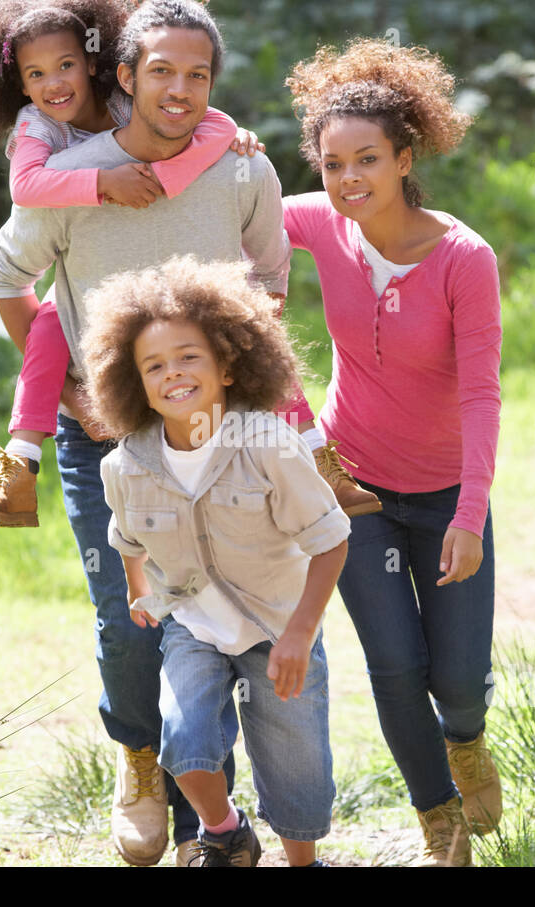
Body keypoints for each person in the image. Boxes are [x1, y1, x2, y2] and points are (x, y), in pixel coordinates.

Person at [0, 0, 372, 866]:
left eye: (199, 75)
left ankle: (219, 828)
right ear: (123, 77)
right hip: (109, 439)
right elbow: (6, 275)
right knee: (136, 620)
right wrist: (81, 387)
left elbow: (270, 275)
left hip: (233, 438)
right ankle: (143, 763)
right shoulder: (76, 175)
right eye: (161, 70)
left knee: (229, 611)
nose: (181, 90)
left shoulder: (240, 169)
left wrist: (246, 378)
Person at [282, 37, 505, 866]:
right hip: (356, 491)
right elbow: (226, 207)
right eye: (332, 164)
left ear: (405, 157)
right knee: (392, 663)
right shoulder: (317, 224)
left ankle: (468, 739)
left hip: (449, 493)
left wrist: (472, 515)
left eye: (367, 160)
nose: (348, 181)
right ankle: (437, 816)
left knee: (456, 677)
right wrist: (221, 145)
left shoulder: (463, 258)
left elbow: (482, 393)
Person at [0, 0, 259, 528]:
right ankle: (20, 465)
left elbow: (209, 121)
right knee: (49, 324)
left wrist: (204, 157)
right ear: (19, 84)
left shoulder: (124, 101)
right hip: (71, 278)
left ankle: (314, 452)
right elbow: (26, 186)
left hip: (167, 338)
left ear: (93, 62)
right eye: (34, 73)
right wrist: (105, 183)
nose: (53, 83)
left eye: (65, 64)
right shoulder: (35, 127)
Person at [84, 255, 349, 866]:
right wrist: (133, 586)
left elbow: (331, 539)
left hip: (280, 627)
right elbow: (128, 535)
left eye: (188, 357)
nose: (172, 374)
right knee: (185, 744)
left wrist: (301, 635)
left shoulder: (270, 446)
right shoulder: (125, 465)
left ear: (228, 366)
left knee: (296, 765)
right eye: (154, 366)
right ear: (133, 382)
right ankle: (226, 832)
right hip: (193, 627)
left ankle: (300, 860)